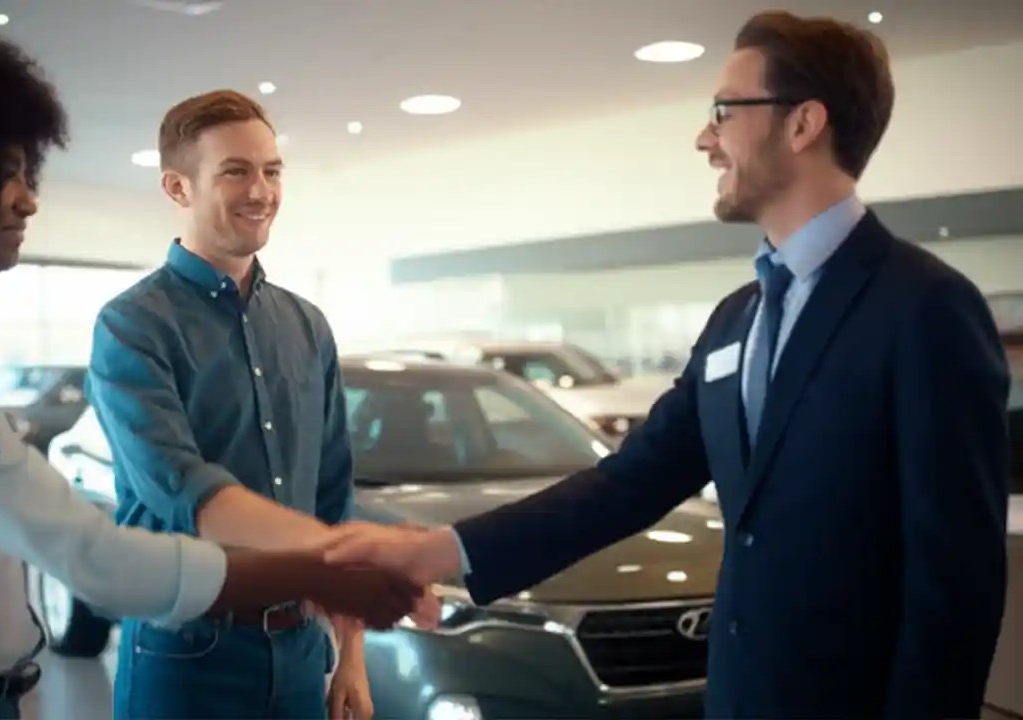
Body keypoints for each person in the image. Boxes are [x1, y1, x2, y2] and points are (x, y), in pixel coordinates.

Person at [322, 10, 1012, 719]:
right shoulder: (736, 319)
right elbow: (631, 483)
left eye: (724, 111)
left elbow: (955, 582)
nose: (705, 139)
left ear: (803, 123)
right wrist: (436, 552)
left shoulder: (925, 308)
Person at [0, 22, 421, 720]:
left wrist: (337, 611)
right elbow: (93, 552)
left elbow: (329, 484)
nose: (29, 199)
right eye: (8, 174)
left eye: (271, 170)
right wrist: (329, 565)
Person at [86, 89, 432, 720]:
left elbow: (332, 492)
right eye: (236, 171)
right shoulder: (131, 326)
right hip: (186, 650)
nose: (262, 191)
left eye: (272, 171)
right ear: (177, 187)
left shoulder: (307, 324)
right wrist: (356, 561)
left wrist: (349, 652)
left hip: (301, 648)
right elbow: (181, 488)